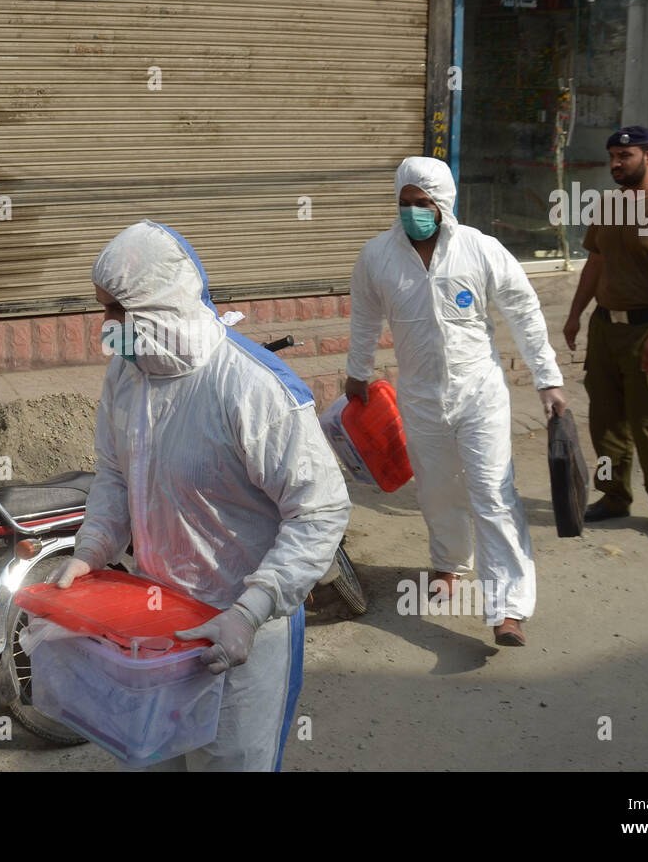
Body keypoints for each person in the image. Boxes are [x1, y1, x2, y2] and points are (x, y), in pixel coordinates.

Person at [54, 219, 351, 772]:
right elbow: (115, 475)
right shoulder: (128, 374)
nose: (106, 325)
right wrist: (90, 551)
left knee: (230, 761)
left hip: (240, 632)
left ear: (159, 307)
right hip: (156, 620)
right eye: (103, 309)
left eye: (117, 310)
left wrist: (249, 610)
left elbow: (320, 510)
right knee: (153, 755)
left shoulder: (251, 388)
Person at [345, 157, 567, 647]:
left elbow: (523, 310)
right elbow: (364, 317)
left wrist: (547, 379)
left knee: (492, 492)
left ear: (443, 204)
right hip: (419, 397)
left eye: (422, 204)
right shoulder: (377, 257)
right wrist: (358, 372)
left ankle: (508, 608)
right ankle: (450, 563)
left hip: (480, 393)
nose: (412, 213)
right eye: (405, 204)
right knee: (437, 489)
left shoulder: (480, 250)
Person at [563, 126, 648, 543]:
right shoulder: (607, 205)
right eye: (612, 157)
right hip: (606, 329)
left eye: (625, 156)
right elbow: (595, 264)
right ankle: (613, 496)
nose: (616, 164)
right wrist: (574, 315)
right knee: (605, 422)